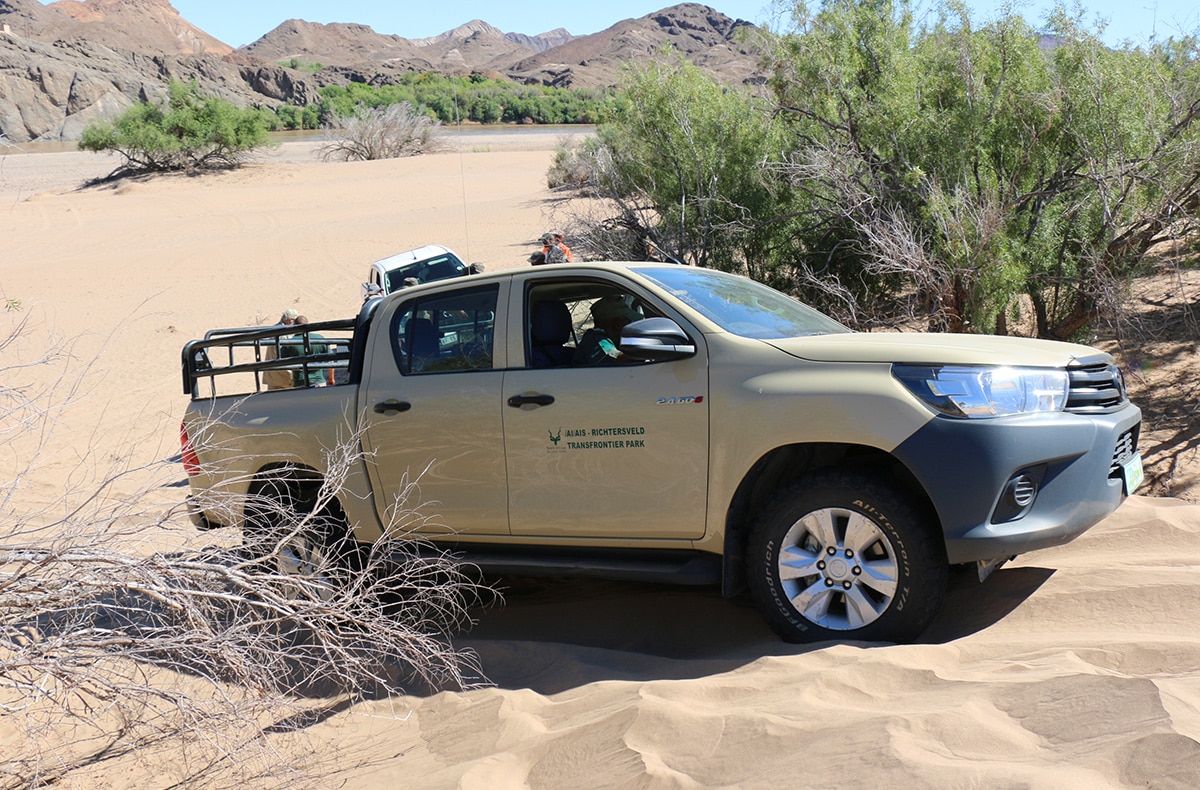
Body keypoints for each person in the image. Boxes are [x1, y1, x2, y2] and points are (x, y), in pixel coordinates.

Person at [576, 295, 641, 365]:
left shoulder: (609, 339)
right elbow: (619, 360)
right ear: (618, 324)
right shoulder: (594, 339)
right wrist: (647, 352)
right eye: (628, 321)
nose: (631, 325)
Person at [280, 315, 336, 387]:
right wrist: (331, 378)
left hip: (300, 383)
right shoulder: (319, 338)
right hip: (319, 381)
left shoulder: (289, 343)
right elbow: (331, 360)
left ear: (294, 326)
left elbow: (282, 361)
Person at [263, 309, 299, 390]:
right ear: (289, 320)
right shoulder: (286, 334)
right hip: (284, 377)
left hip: (272, 377)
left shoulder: (274, 329)